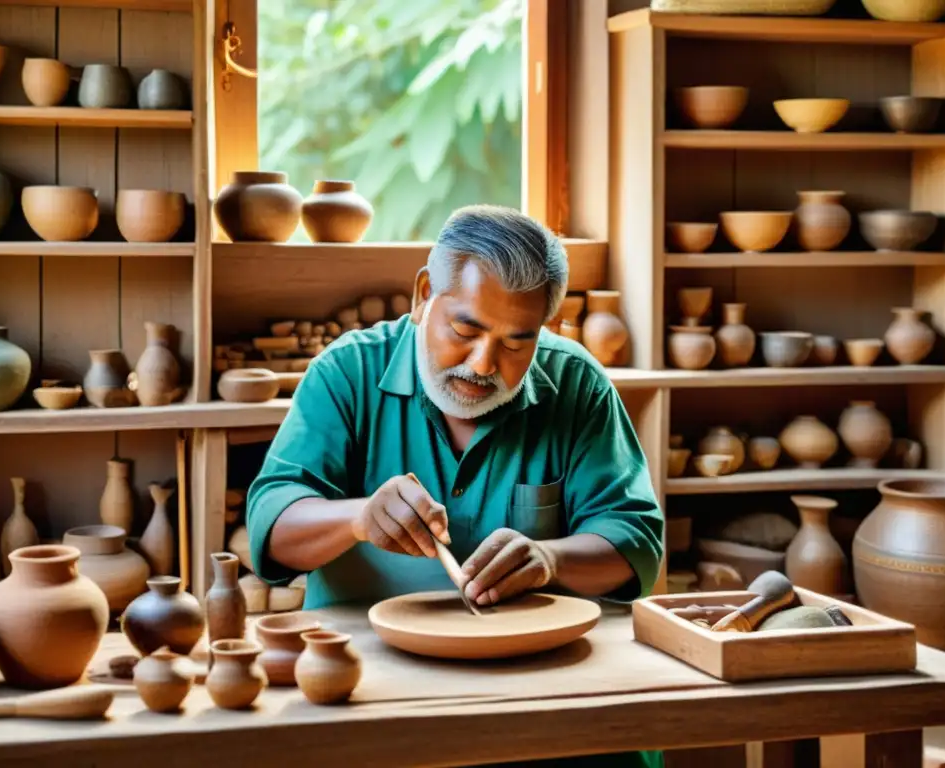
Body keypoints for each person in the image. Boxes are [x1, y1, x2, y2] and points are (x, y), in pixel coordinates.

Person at [247, 204, 664, 768]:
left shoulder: (576, 383)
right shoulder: (346, 374)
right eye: (465, 329)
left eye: (517, 343)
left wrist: (551, 558)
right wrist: (357, 517)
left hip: (538, 680)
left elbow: (636, 539)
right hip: (369, 675)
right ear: (424, 295)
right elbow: (271, 527)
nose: (483, 363)